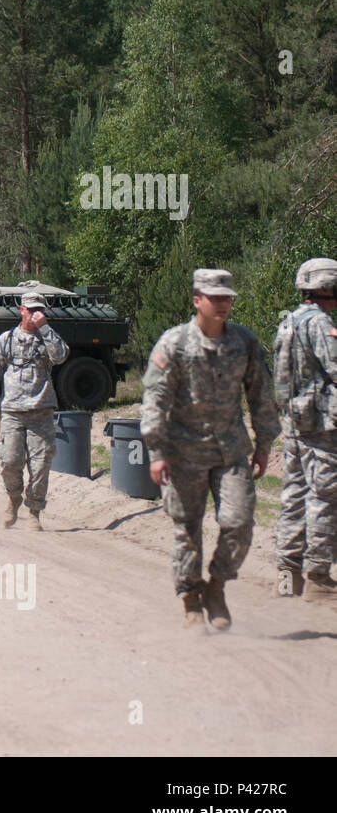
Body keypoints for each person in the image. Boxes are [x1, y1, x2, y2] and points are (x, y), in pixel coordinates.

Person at [140, 268, 280, 631]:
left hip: (230, 452)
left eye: (227, 297)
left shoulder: (244, 343)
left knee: (240, 522)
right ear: (197, 300)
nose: (222, 303)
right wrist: (155, 452)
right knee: (187, 530)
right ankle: (190, 601)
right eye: (214, 297)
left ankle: (216, 586)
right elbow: (154, 400)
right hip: (183, 454)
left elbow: (261, 395)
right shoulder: (175, 344)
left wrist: (264, 444)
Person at [0, 290, 69, 530]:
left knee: (41, 465)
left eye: (40, 310)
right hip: (12, 413)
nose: (36, 314)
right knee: (10, 461)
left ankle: (34, 512)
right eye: (32, 310)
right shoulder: (6, 339)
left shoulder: (47, 338)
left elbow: (61, 356)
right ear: (22, 310)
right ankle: (13, 497)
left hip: (41, 411)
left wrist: (46, 328)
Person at [273, 257, 337, 600]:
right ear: (326, 287)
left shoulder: (288, 322)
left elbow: (280, 380)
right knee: (324, 498)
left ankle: (286, 580)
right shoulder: (320, 324)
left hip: (294, 425)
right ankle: (317, 578)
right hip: (320, 428)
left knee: (293, 498)